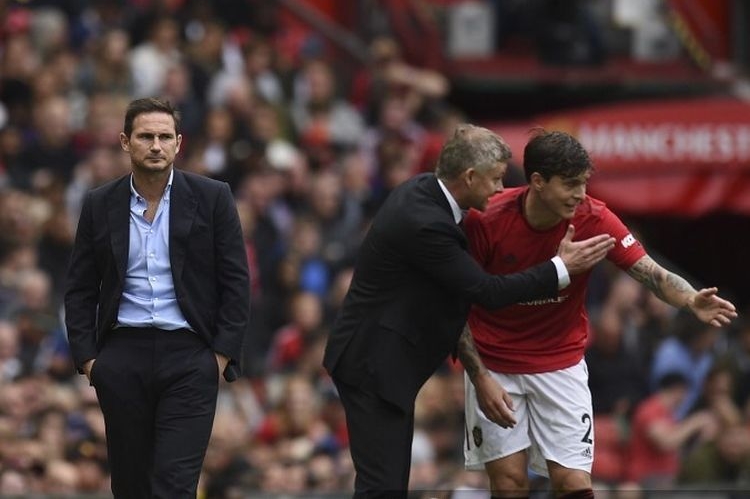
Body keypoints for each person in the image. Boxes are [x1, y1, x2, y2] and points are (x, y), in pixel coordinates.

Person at [323, 123, 617, 498]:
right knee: (381, 489)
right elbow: (486, 291)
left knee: (388, 486)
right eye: (495, 178)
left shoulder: (423, 192)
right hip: (373, 364)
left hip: (384, 363)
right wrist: (559, 269)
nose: (500, 188)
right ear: (470, 176)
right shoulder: (427, 224)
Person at [457, 129, 737, 498]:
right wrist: (479, 376)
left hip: (561, 365)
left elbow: (652, 273)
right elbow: (456, 302)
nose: (580, 194)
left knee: (573, 483)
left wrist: (689, 299)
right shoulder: (486, 219)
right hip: (495, 365)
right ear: (537, 181)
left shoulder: (595, 218)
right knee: (510, 484)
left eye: (584, 183)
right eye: (570, 184)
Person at [64, 98, 251, 498]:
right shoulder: (99, 203)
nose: (156, 145)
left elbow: (236, 281)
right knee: (131, 486)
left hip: (190, 356)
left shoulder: (213, 197)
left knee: (174, 486)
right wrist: (90, 360)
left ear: (178, 143)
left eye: (165, 137)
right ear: (125, 142)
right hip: (121, 355)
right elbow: (80, 287)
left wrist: (219, 357)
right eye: (145, 136)